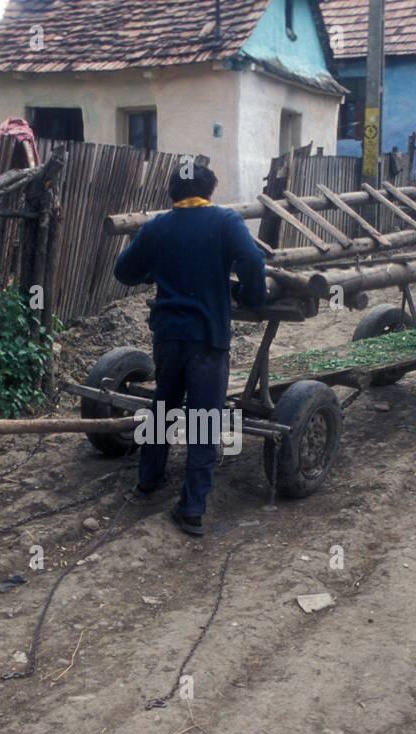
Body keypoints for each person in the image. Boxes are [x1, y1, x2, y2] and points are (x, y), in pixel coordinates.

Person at [113, 161, 266, 536]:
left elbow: (124, 272)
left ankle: (147, 481)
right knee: (204, 419)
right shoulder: (226, 222)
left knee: (162, 408)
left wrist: (155, 272)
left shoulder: (156, 228)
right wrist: (252, 297)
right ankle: (192, 507)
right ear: (209, 190)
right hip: (209, 337)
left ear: (172, 193)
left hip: (168, 335)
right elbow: (252, 259)